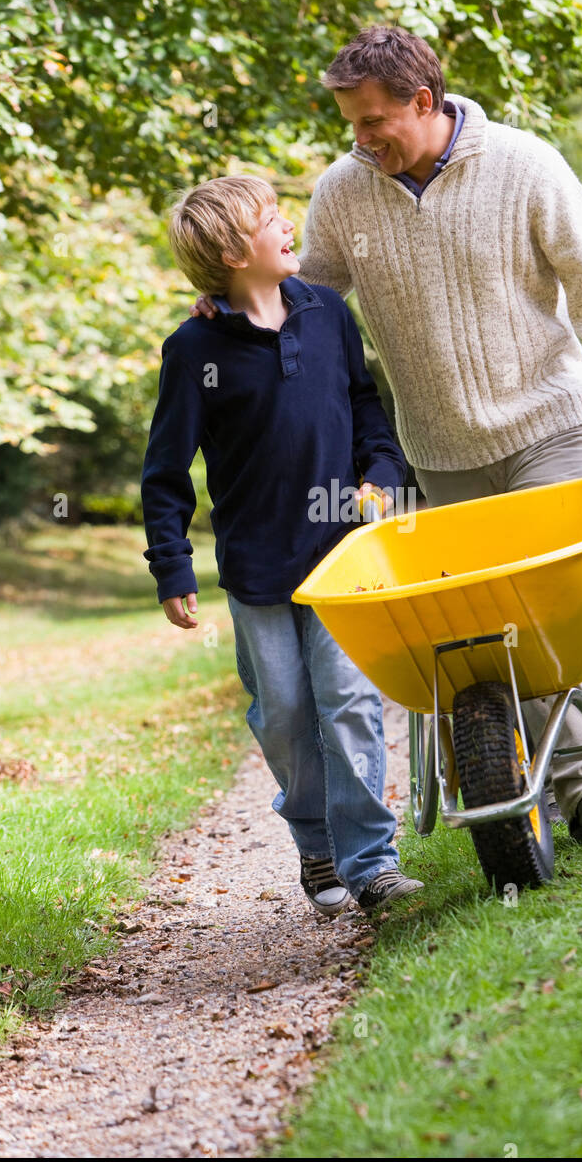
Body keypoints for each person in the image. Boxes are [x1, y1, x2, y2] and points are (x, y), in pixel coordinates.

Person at [190, 26, 582, 844]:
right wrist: (231, 303)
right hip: (440, 449)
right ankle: (498, 779)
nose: (360, 140)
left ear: (423, 101)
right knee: (469, 634)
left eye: (373, 122)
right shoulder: (344, 192)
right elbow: (306, 297)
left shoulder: (524, 164)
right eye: (350, 125)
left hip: (546, 422)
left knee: (562, 604)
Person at [140, 174, 423, 915]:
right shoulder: (195, 348)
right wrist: (171, 563)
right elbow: (167, 468)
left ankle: (371, 863)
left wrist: (383, 471)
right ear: (235, 253)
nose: (288, 225)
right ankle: (316, 844)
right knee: (286, 713)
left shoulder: (328, 313)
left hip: (341, 551)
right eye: (271, 219)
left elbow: (366, 405)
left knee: (349, 702)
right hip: (257, 564)